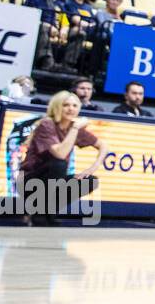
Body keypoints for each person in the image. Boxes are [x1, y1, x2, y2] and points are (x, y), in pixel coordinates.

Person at [20, 91, 106, 225]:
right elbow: (60, 153)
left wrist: (92, 168)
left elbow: (103, 146)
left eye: (75, 105)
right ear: (57, 106)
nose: (71, 108)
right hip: (31, 181)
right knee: (59, 164)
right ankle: (38, 212)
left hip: (54, 180)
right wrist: (76, 127)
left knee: (89, 181)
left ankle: (48, 211)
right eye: (66, 105)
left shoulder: (73, 128)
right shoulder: (47, 124)